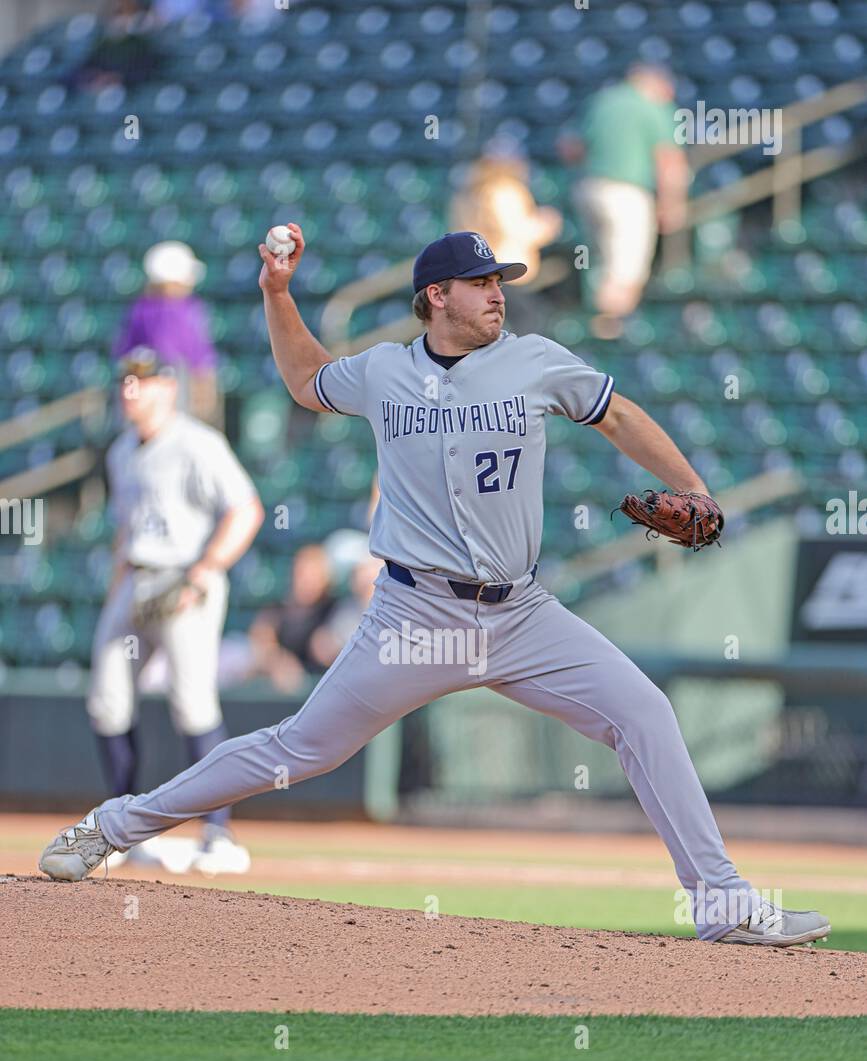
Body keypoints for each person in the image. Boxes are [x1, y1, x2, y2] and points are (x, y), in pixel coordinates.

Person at [39, 231, 830, 949]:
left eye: (499, 281)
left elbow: (616, 416)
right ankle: (109, 828)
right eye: (480, 281)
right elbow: (308, 379)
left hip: (521, 613)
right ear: (435, 298)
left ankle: (720, 902)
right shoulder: (385, 371)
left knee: (643, 714)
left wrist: (693, 486)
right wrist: (277, 293)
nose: (497, 292)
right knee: (299, 749)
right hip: (415, 617)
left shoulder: (534, 359)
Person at [85, 345, 264, 875]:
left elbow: (247, 509)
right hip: (137, 578)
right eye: (125, 382)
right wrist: (116, 592)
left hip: (186, 578)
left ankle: (220, 834)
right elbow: (125, 530)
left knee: (193, 705)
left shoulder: (196, 443)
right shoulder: (121, 451)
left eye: (142, 381)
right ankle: (122, 829)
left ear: (167, 387)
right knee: (107, 702)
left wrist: (205, 570)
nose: (130, 391)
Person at [559, 65, 690, 338]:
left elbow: (571, 148)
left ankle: (593, 322)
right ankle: (607, 331)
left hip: (589, 188)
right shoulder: (651, 106)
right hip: (626, 193)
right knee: (626, 265)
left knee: (598, 259)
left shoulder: (602, 100)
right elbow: (668, 159)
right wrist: (672, 203)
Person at [449, 138, 562, 334]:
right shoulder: (504, 190)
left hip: (478, 269)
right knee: (528, 323)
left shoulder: (467, 192)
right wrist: (547, 224)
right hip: (505, 268)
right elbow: (518, 232)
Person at [113, 242, 219, 422]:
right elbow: (197, 362)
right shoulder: (184, 310)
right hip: (172, 393)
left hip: (151, 395)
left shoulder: (140, 308)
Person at [247, 543, 336, 694]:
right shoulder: (276, 609)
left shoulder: (335, 608)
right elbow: (261, 637)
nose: (305, 580)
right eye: (301, 573)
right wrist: (278, 661)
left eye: (312, 574)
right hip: (283, 690)